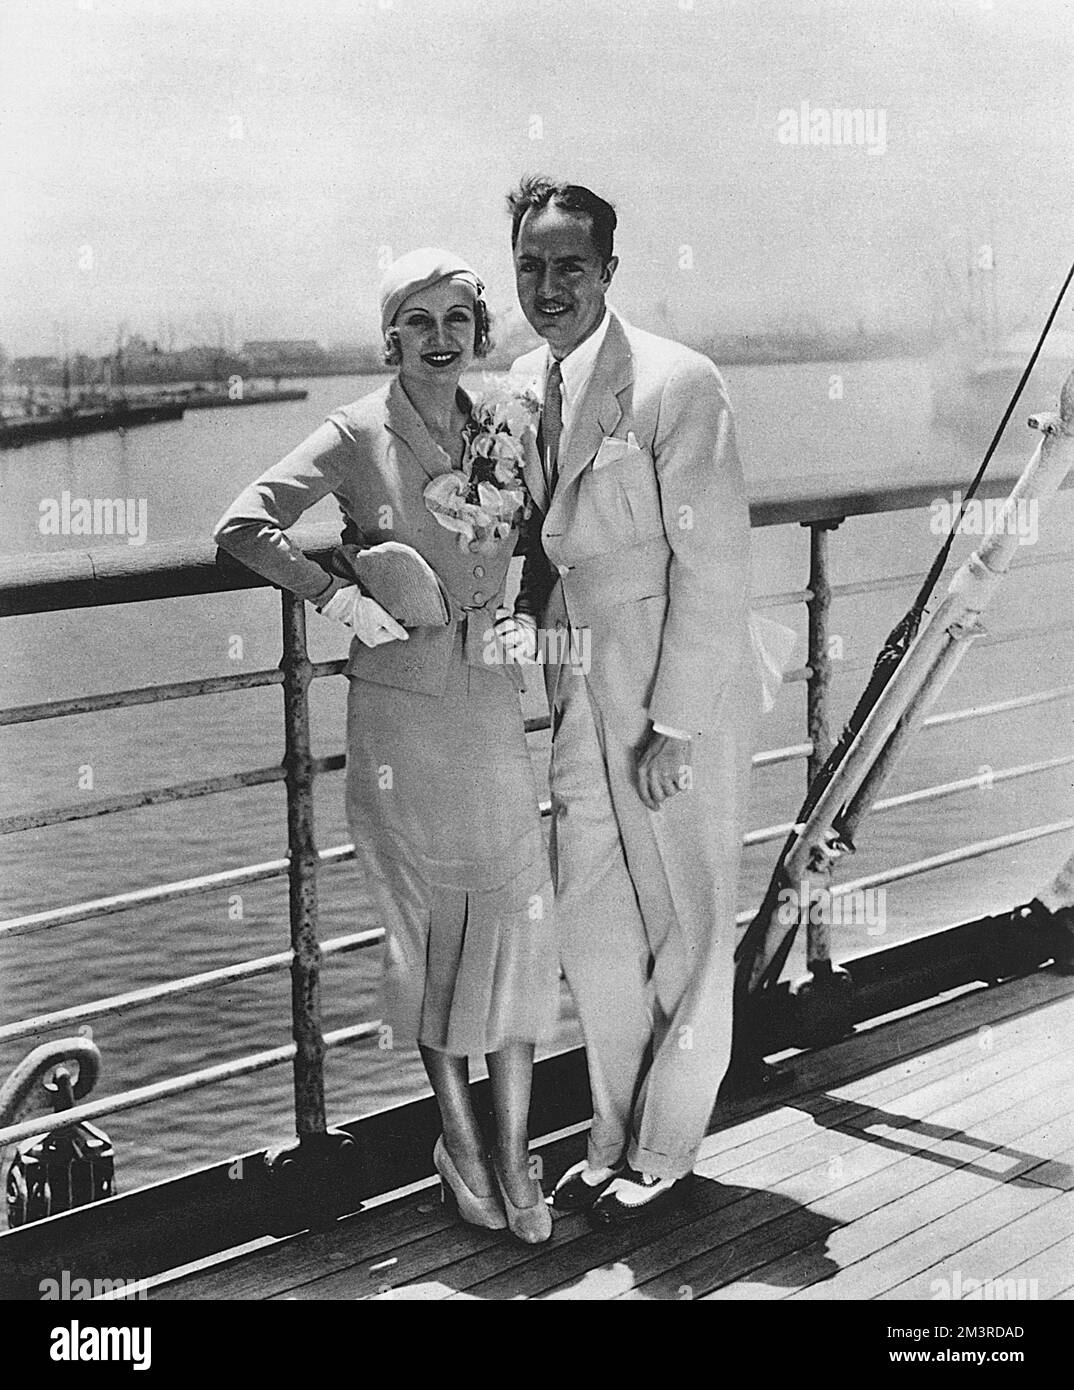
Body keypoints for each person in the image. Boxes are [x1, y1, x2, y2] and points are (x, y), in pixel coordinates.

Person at [212, 248, 555, 1244]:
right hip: (402, 717)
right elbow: (244, 522)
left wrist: (526, 611)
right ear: (391, 335)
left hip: (489, 708)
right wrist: (339, 600)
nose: (441, 335)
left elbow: (534, 538)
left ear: (477, 330)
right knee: (432, 935)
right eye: (419, 319)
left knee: (516, 929)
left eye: (458, 316)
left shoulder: (506, 422)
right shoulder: (357, 431)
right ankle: (462, 1144)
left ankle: (520, 1154)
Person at [496, 178, 761, 1224]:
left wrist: (679, 719)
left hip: (671, 682)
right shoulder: (522, 385)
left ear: (611, 270)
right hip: (579, 683)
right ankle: (610, 1128)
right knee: (594, 923)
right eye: (530, 265)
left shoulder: (676, 382)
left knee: (690, 928)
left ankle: (665, 1148)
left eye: (570, 265)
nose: (549, 285)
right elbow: (531, 532)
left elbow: (717, 563)